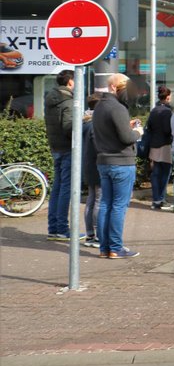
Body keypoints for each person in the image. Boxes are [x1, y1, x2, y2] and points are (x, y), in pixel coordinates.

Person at [91, 73, 142, 258]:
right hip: (121, 162)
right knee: (119, 206)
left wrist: (126, 126)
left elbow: (106, 132)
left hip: (104, 161)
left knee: (106, 204)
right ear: (113, 87)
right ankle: (115, 247)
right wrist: (137, 131)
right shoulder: (118, 108)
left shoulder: (100, 107)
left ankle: (105, 248)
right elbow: (127, 138)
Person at [43, 69, 76, 242]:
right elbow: (69, 127)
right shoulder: (68, 101)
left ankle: (53, 228)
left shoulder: (51, 98)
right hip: (67, 148)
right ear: (70, 82)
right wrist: (82, 123)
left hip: (55, 147)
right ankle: (63, 229)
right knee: (65, 189)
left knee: (57, 187)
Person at [145, 86, 174, 209]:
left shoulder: (154, 110)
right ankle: (160, 199)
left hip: (154, 144)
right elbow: (167, 130)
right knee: (165, 172)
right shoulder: (168, 112)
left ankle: (156, 199)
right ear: (168, 97)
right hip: (165, 145)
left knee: (156, 172)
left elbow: (150, 127)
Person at [80, 93, 102, 248]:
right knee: (99, 200)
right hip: (98, 165)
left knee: (91, 199)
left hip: (87, 165)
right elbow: (99, 147)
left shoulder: (84, 122)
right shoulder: (96, 124)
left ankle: (89, 234)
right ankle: (97, 235)